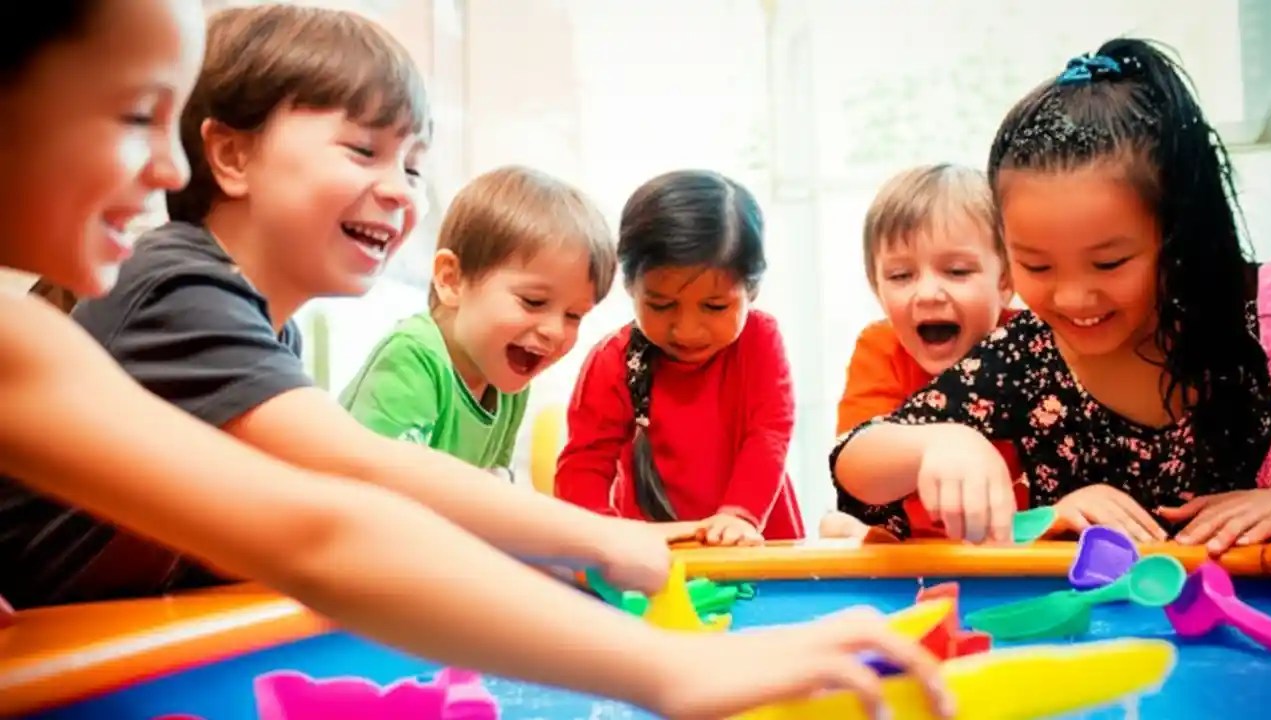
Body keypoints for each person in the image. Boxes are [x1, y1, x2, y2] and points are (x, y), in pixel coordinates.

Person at [0, 6, 952, 717]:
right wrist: (634, 598)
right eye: (134, 117)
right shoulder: (175, 280)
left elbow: (279, 527)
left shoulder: (175, 328)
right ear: (233, 155)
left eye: (411, 163)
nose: (168, 172)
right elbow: (333, 506)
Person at [831, 39, 1271, 555]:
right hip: (1091, 629)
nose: (1071, 297)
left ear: (1177, 234)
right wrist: (942, 440)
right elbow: (855, 461)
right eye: (1036, 265)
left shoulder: (1258, 316)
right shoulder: (1025, 354)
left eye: (1109, 263)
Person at [556, 169, 805, 545]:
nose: (687, 330)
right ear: (630, 287)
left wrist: (739, 515)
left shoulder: (759, 340)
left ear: (751, 290)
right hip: (653, 558)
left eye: (715, 306)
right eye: (662, 305)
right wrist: (602, 535)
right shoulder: (613, 361)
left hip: (757, 547)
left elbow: (768, 435)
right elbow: (583, 466)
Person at [340, 165, 613, 474]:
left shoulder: (508, 383)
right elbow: (376, 487)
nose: (554, 330)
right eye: (533, 302)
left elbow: (492, 483)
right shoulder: (413, 359)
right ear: (451, 280)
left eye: (574, 316)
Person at [820, 163, 1024, 541]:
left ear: (1006, 280)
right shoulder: (880, 347)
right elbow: (854, 459)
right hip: (909, 552)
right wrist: (945, 439)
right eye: (901, 276)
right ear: (877, 287)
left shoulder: (1030, 346)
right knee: (837, 527)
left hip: (1016, 551)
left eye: (958, 271)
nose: (928, 293)